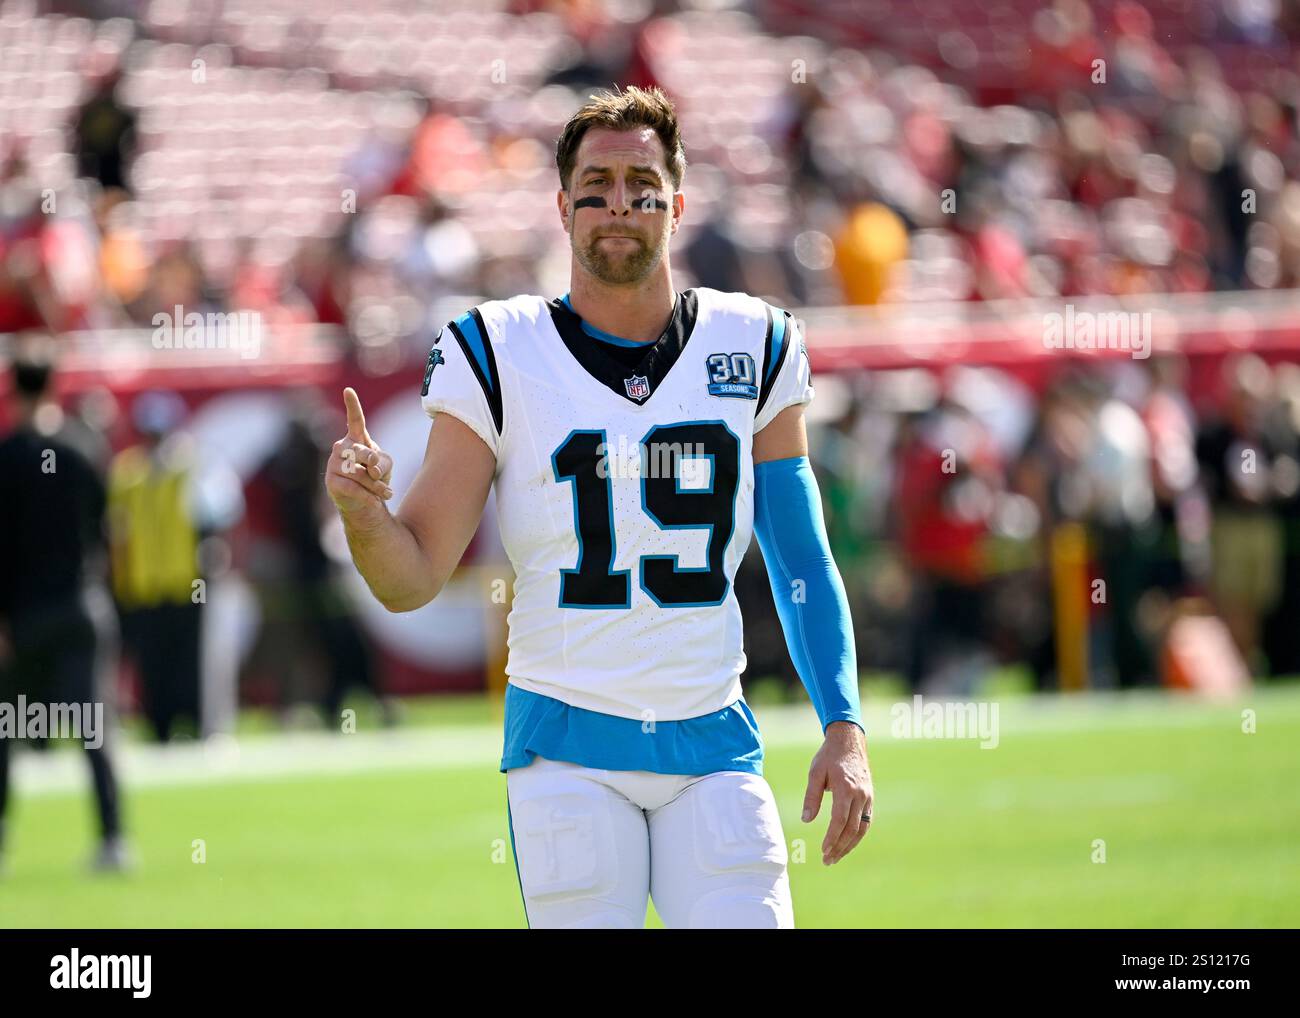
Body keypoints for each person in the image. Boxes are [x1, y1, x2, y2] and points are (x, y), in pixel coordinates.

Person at [326, 86, 870, 928]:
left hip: (712, 740)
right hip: (565, 747)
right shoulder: (497, 348)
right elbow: (412, 578)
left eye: (642, 185)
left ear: (678, 204)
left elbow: (802, 560)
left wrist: (843, 723)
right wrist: (364, 515)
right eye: (597, 184)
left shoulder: (754, 342)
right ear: (562, 206)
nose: (619, 203)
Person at [0, 339, 129, 873]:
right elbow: (112, 533)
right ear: (55, 382)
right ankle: (113, 840)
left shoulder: (7, 456)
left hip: (23, 613)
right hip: (82, 604)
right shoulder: (84, 447)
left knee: (7, 728)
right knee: (94, 730)